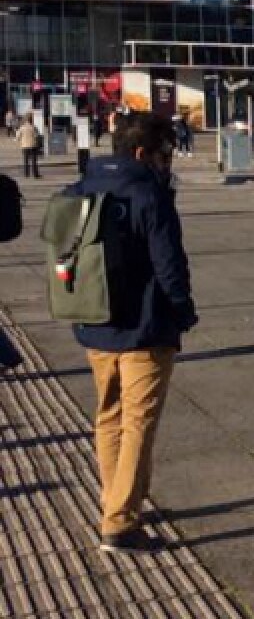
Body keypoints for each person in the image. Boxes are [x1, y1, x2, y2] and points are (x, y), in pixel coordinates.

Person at [68, 111, 197, 553]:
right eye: (165, 153)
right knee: (138, 422)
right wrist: (183, 312)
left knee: (109, 417)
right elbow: (169, 267)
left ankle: (119, 500)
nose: (169, 161)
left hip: (95, 321)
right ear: (142, 153)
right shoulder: (149, 195)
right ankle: (120, 523)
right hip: (145, 327)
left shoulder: (83, 185)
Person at [17, 113, 41, 179]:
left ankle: (26, 174)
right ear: (31, 120)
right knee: (34, 161)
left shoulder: (22, 128)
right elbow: (37, 136)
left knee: (26, 160)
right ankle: (35, 174)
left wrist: (21, 141)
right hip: (33, 146)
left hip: (24, 146)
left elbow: (17, 137)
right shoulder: (33, 127)